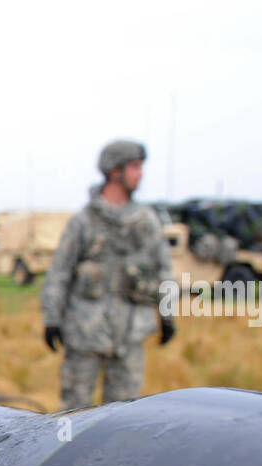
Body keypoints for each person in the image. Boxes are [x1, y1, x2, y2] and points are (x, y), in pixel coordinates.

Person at [41, 139, 175, 410]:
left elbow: (164, 270)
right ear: (115, 171)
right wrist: (52, 319)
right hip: (85, 332)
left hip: (131, 333)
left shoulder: (146, 221)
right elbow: (60, 272)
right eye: (135, 167)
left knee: (123, 418)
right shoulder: (84, 221)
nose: (141, 174)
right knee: (72, 412)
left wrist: (168, 316)